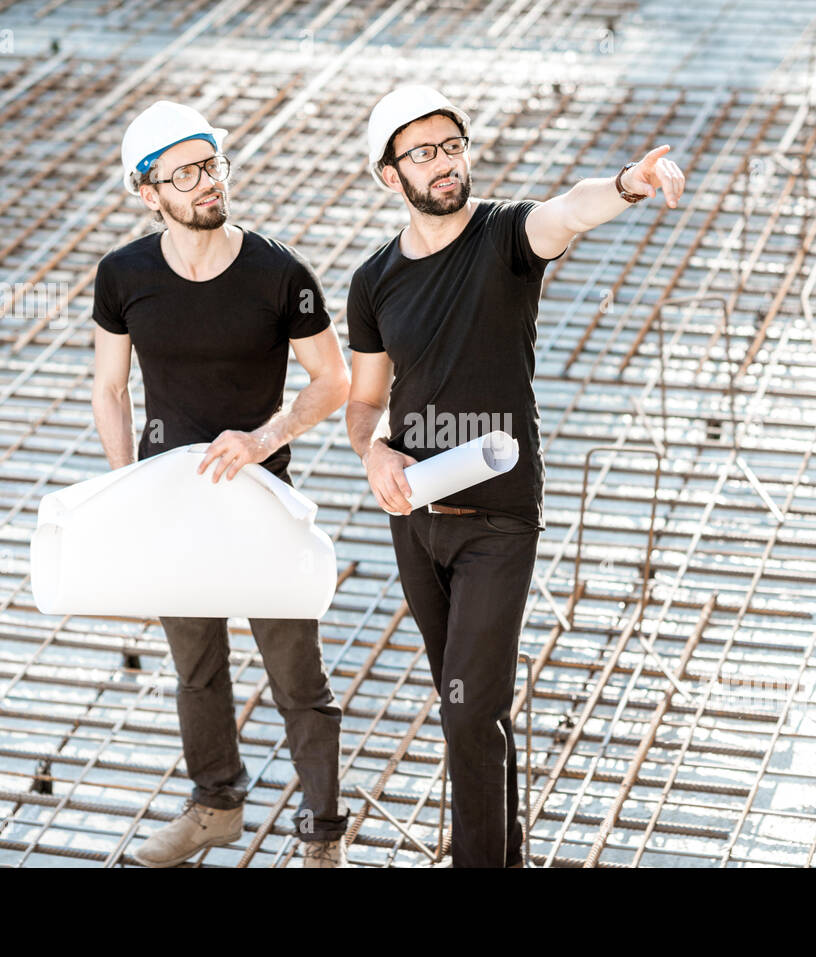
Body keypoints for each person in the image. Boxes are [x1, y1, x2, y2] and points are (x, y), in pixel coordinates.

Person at [345, 85, 685, 868]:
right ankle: (508, 852)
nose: (444, 162)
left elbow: (567, 210)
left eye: (452, 145)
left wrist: (630, 181)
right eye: (422, 152)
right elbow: (365, 400)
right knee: (469, 707)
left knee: (469, 713)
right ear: (389, 176)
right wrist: (374, 451)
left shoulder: (504, 236)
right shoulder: (373, 282)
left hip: (498, 517)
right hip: (417, 514)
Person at [91, 100, 350, 867]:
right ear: (148, 191)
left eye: (213, 165)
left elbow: (332, 379)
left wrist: (265, 436)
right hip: (172, 505)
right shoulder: (123, 275)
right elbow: (109, 388)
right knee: (196, 671)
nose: (208, 182)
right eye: (188, 172)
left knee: (298, 676)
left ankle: (322, 835)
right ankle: (215, 806)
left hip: (259, 501)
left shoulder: (279, 273)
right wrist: (126, 489)